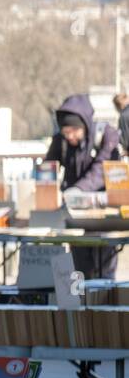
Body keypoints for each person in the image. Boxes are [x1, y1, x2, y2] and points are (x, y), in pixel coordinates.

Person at [44, 93, 123, 279]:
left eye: (74, 131)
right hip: (75, 219)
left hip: (105, 217)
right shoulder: (60, 141)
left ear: (84, 126)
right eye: (66, 132)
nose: (70, 136)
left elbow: (101, 170)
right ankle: (79, 305)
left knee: (105, 273)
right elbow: (47, 169)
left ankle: (104, 304)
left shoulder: (106, 135)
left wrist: (78, 191)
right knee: (78, 272)